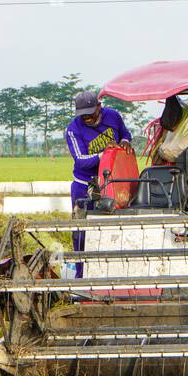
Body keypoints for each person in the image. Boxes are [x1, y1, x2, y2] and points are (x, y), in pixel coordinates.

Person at [65, 89, 131, 271]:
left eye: (90, 114)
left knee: (112, 228)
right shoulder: (73, 129)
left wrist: (124, 141)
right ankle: (81, 275)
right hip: (85, 186)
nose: (86, 118)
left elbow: (126, 134)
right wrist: (105, 155)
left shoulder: (114, 117)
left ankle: (111, 270)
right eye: (82, 116)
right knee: (82, 233)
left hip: (112, 184)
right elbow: (80, 160)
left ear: (99, 107)